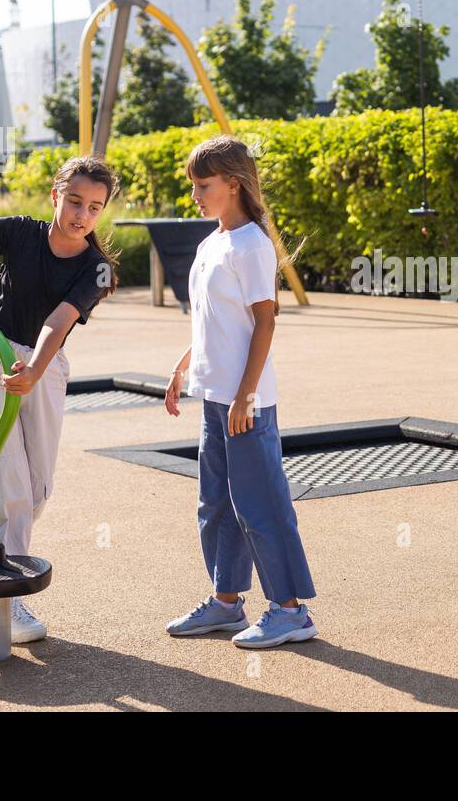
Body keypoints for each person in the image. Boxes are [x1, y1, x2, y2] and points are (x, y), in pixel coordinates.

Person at [0, 154, 119, 643]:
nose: (81, 215)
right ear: (56, 195)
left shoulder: (96, 268)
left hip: (43, 366)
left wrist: (35, 369)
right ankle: (3, 599)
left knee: (36, 490)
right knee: (6, 481)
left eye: (94, 208)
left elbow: (60, 318)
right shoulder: (21, 232)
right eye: (74, 201)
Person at [163, 135, 317, 649]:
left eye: (203, 185)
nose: (195, 194)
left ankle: (291, 611)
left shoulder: (252, 244)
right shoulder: (213, 243)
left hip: (245, 401)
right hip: (213, 395)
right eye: (192, 185)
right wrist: (184, 365)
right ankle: (226, 603)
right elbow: (212, 321)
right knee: (215, 504)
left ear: (233, 184)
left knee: (261, 504)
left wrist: (247, 394)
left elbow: (266, 323)